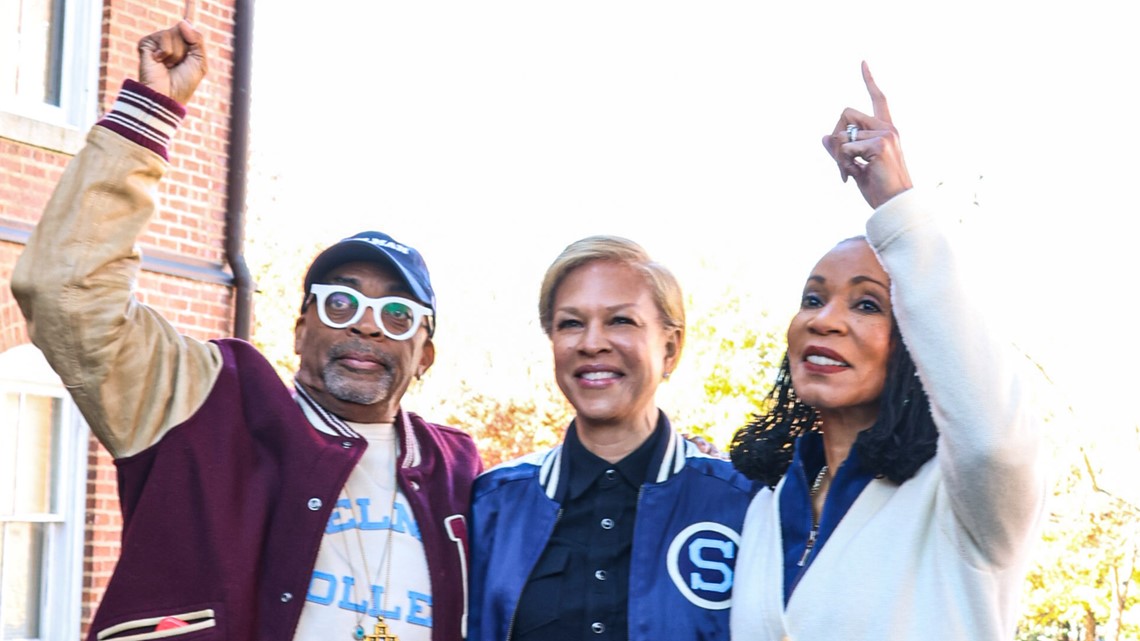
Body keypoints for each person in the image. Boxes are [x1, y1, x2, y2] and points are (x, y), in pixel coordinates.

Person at [10, 21, 481, 641]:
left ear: (426, 354)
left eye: (398, 315)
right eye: (340, 304)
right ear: (299, 329)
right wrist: (151, 112)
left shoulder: (462, 475)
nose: (367, 324)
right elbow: (66, 291)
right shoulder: (207, 406)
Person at [728, 63, 1046, 640]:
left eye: (868, 305)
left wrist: (896, 206)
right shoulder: (765, 508)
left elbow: (994, 440)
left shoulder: (968, 506)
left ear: (916, 340)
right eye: (813, 298)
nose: (826, 321)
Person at [467, 236, 757, 641]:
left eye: (621, 320)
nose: (592, 343)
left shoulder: (743, 502)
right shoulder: (494, 503)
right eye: (571, 323)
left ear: (670, 348)